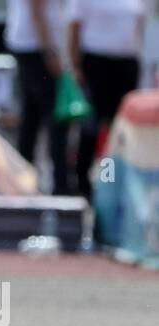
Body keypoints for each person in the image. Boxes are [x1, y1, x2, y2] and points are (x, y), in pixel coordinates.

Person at [66, 0, 145, 200]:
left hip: (126, 63)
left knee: (117, 129)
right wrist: (75, 66)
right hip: (96, 63)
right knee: (93, 126)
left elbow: (138, 24)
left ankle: (111, 180)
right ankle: (83, 181)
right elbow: (74, 27)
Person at [7, 0, 72, 194]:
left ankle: (23, 181)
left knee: (32, 117)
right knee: (55, 119)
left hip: (31, 47)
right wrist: (50, 52)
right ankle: (59, 184)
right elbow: (37, 11)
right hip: (36, 50)